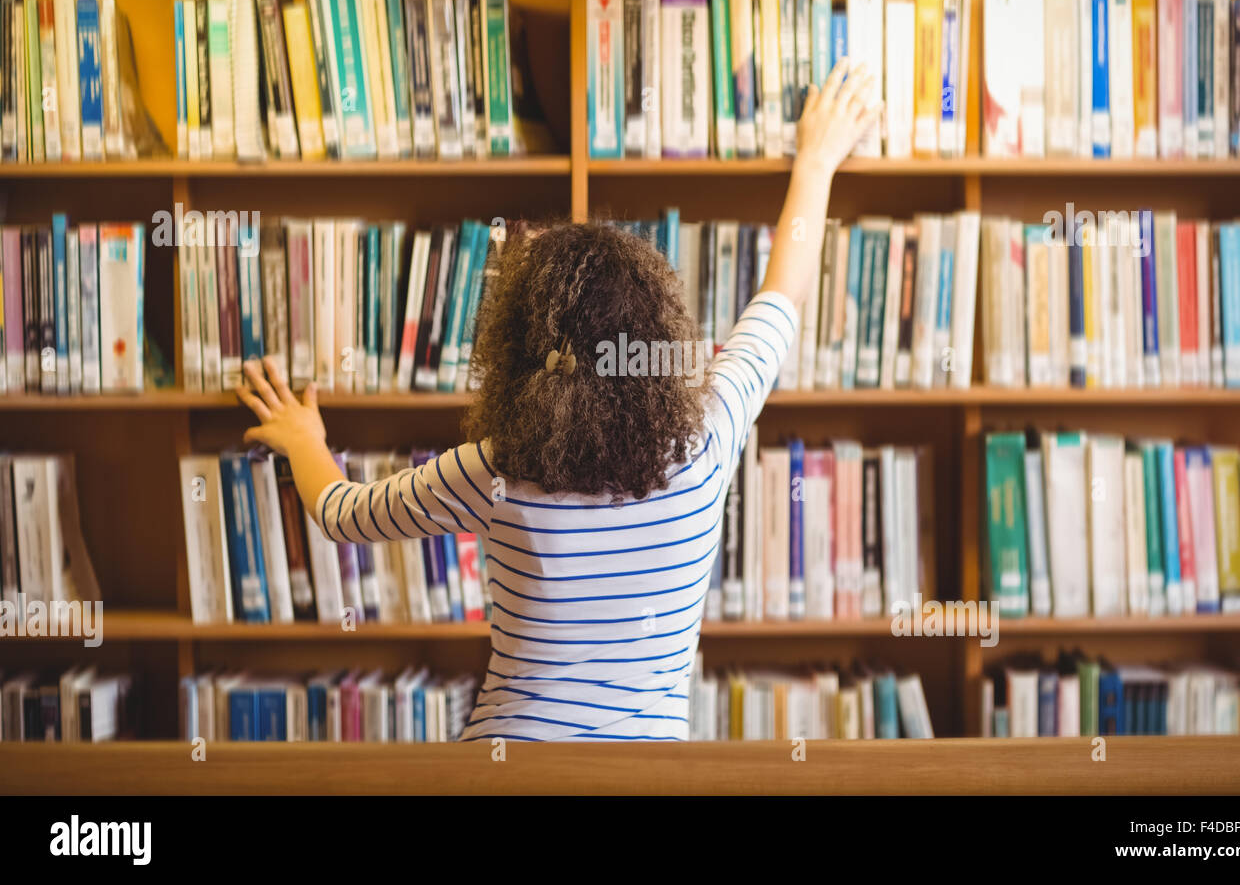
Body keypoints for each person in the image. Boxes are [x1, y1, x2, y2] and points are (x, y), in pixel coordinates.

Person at [236, 60, 879, 741]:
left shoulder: (492, 471)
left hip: (507, 768)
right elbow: (781, 297)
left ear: (515, 351)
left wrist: (306, 438)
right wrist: (815, 164)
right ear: (655, 334)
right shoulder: (708, 443)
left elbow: (342, 514)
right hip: (649, 782)